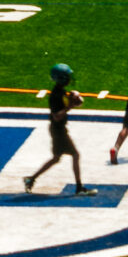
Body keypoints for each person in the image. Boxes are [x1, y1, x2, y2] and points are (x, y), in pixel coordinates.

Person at [24, 63, 94, 196]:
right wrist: (71, 106)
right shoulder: (56, 95)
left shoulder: (60, 92)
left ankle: (31, 179)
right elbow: (57, 116)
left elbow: (75, 103)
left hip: (58, 129)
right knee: (75, 155)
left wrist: (73, 98)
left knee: (56, 158)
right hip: (58, 130)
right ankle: (79, 188)